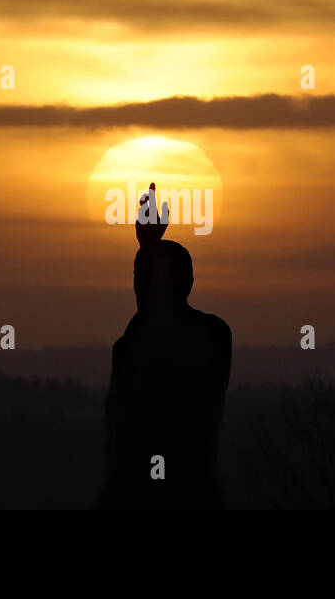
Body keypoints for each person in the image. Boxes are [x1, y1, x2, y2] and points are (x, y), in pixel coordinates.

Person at [96, 183, 233, 509]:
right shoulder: (132, 343)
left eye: (144, 277)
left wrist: (149, 247)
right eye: (136, 275)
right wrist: (148, 247)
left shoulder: (208, 335)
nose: (136, 286)